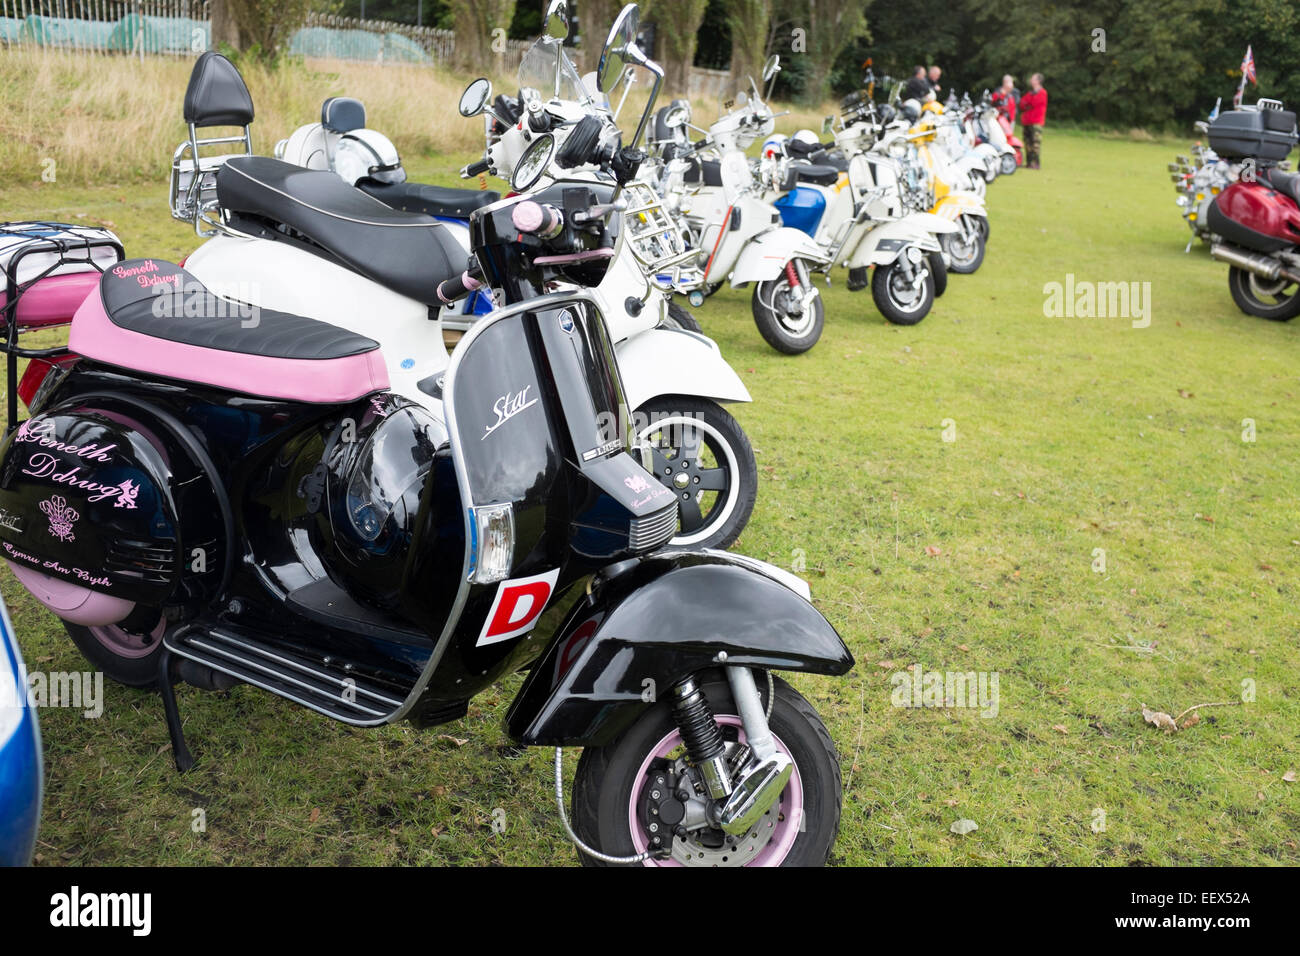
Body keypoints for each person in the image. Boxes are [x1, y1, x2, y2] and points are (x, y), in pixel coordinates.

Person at [1019, 73, 1047, 169]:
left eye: (1033, 79)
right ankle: (1029, 163)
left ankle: (1036, 163)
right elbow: (1022, 104)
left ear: (1038, 81)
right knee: (1027, 143)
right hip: (1027, 121)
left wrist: (1029, 102)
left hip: (1036, 122)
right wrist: (1028, 103)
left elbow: (1034, 103)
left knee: (1035, 143)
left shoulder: (1042, 93)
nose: (1031, 80)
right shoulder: (1030, 93)